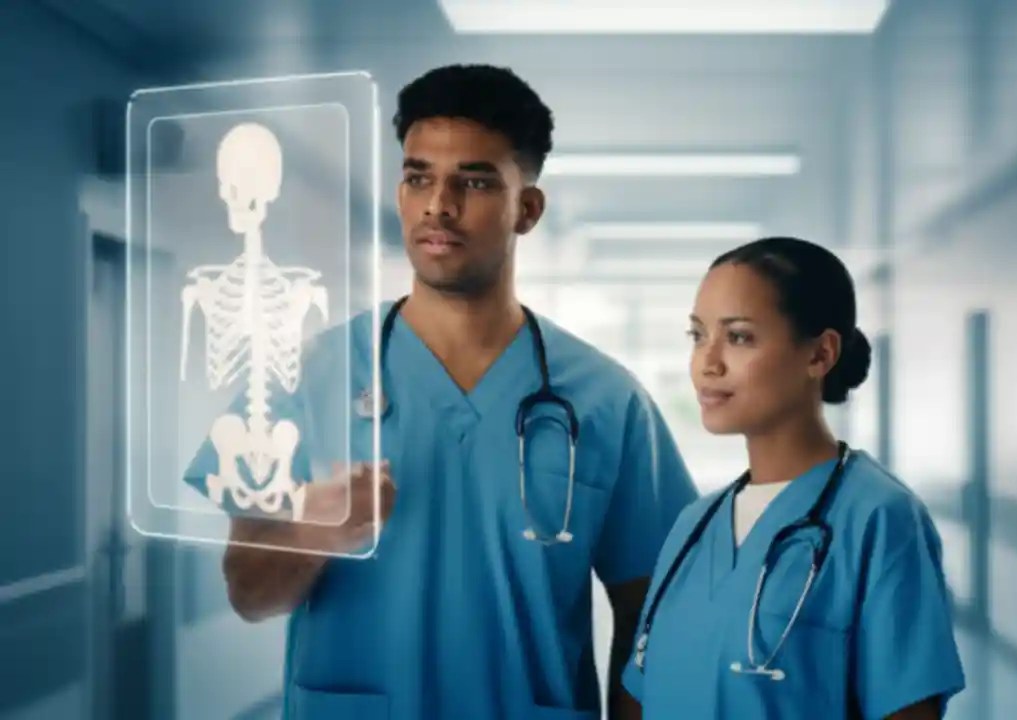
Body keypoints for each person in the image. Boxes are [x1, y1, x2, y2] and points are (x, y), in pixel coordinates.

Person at [183, 64, 697, 719]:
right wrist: (316, 531)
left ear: (527, 210)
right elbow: (248, 595)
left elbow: (649, 611)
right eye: (418, 177)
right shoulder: (311, 372)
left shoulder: (606, 401)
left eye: (474, 182)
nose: (438, 205)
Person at [620, 237, 965, 719]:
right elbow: (640, 692)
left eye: (739, 337)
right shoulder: (693, 526)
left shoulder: (879, 518)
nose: (708, 363)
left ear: (820, 355)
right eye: (698, 335)